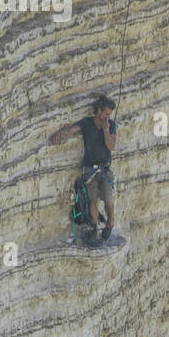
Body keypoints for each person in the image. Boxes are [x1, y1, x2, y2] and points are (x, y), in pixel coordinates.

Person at [49, 95, 117, 243]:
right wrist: (59, 135)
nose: (108, 116)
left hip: (104, 169)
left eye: (109, 114)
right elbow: (73, 129)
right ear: (98, 111)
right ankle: (94, 231)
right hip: (90, 170)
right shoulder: (87, 123)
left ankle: (110, 222)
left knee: (108, 200)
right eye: (106, 113)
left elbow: (111, 146)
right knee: (92, 200)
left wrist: (106, 130)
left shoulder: (111, 125)